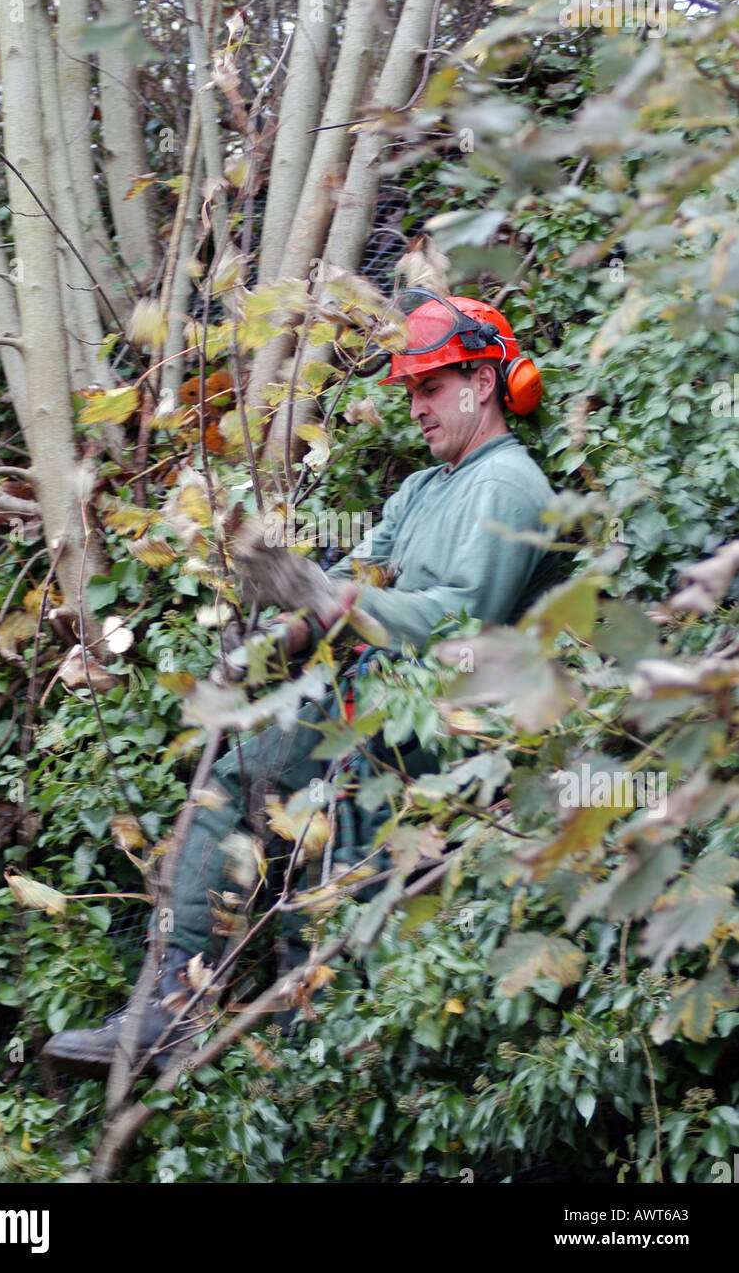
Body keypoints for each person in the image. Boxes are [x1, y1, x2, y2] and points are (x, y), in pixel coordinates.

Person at [42, 291, 559, 1077]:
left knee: (258, 793)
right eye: (411, 390)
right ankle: (190, 1015)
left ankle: (201, 1026)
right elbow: (355, 578)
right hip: (367, 704)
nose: (415, 407)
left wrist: (329, 600)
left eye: (427, 387)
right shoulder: (422, 490)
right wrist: (271, 639)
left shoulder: (509, 487)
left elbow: (462, 620)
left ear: (480, 384)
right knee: (247, 797)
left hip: (439, 720)